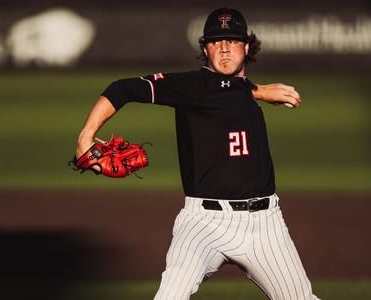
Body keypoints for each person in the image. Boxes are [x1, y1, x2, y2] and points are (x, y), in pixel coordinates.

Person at [75, 7, 319, 300]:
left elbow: (232, 88)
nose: (225, 48)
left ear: (246, 46)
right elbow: (123, 88)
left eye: (231, 40)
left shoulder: (243, 89)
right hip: (203, 223)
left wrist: (256, 90)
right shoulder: (191, 86)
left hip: (265, 224)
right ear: (205, 49)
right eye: (216, 41)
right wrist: (86, 137)